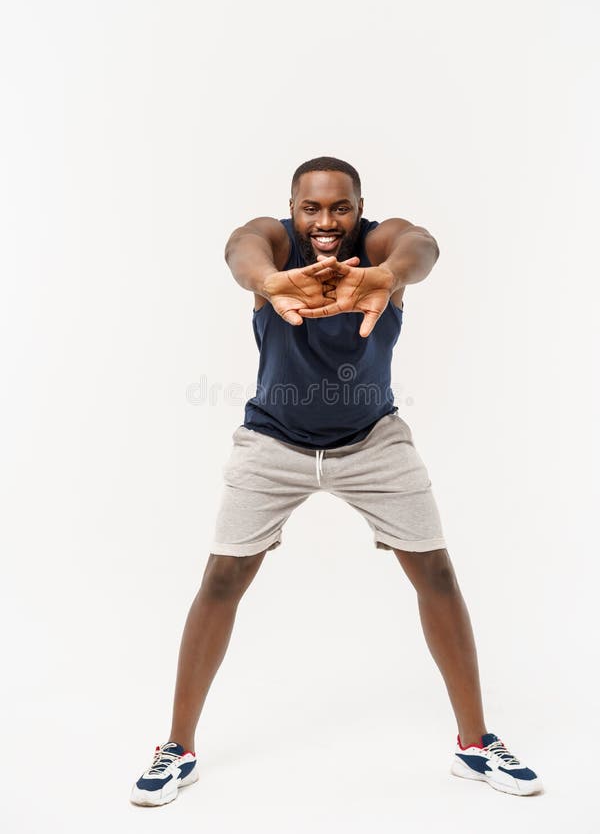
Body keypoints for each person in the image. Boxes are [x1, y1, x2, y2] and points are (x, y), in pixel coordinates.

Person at [130, 156, 543, 806]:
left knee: (435, 573)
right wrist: (267, 280)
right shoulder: (272, 244)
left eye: (340, 207)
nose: (326, 221)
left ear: (358, 208)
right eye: (312, 207)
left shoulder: (379, 250)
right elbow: (240, 248)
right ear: (293, 209)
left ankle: (475, 744)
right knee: (221, 579)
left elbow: (419, 245)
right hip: (272, 441)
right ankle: (177, 748)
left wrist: (390, 275)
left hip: (373, 441)